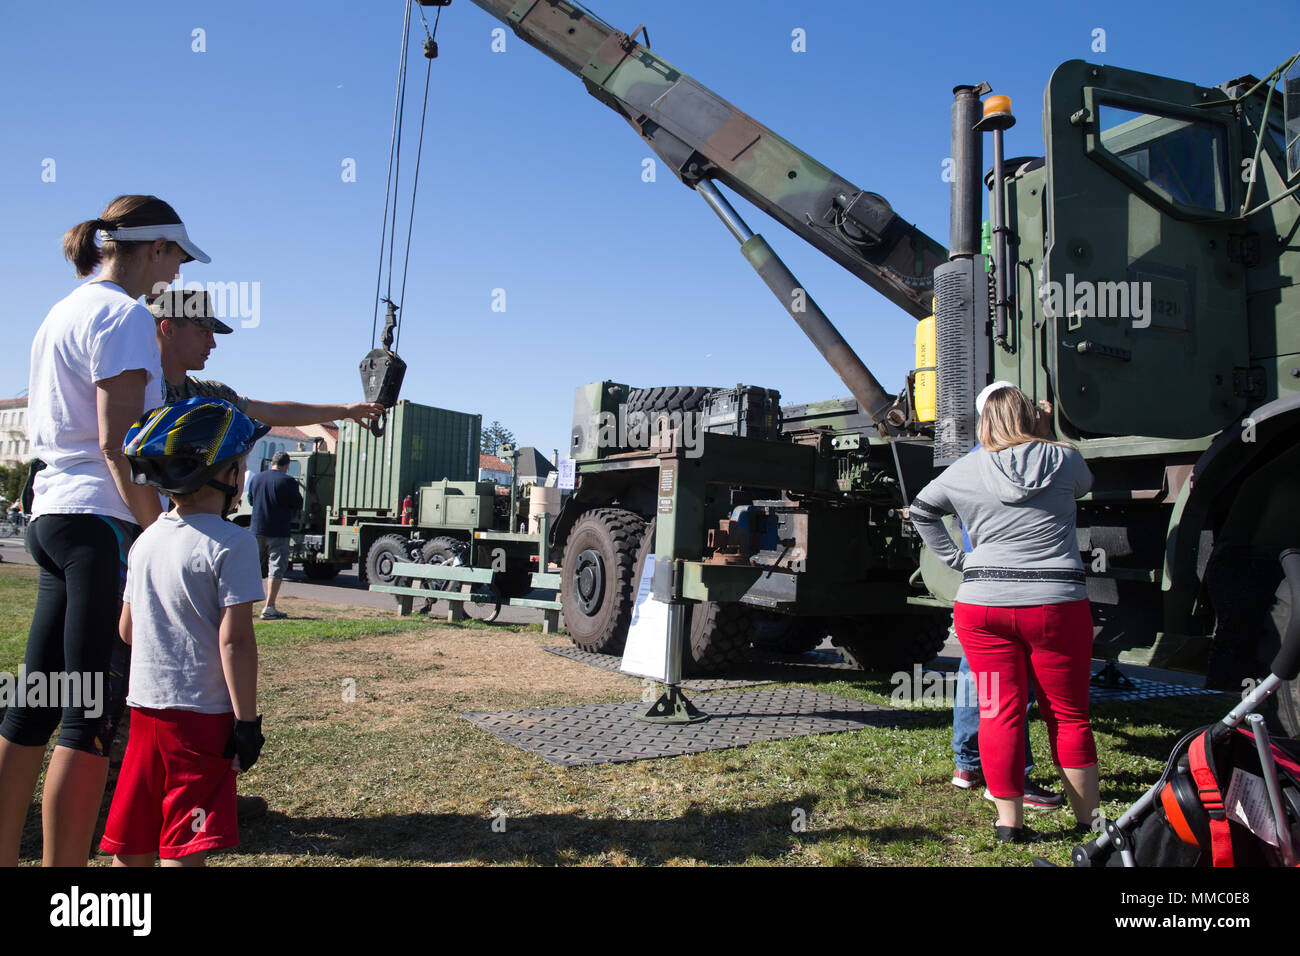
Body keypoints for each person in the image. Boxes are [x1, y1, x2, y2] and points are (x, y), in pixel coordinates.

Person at [0, 195, 205, 866]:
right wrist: (153, 537)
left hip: (54, 513)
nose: (175, 278)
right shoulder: (123, 316)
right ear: (154, 248)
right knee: (86, 720)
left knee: (35, 703)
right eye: (176, 258)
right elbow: (120, 445)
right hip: (98, 520)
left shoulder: (63, 310)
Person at [910, 382, 1100, 844]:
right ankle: (1089, 823)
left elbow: (921, 510)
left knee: (998, 712)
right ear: (1030, 415)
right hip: (1055, 604)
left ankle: (1009, 826)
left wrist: (957, 559)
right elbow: (1085, 486)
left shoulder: (964, 468)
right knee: (1069, 716)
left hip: (983, 606)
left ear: (982, 422)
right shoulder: (1063, 458)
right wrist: (1046, 427)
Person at [100, 398, 268, 867]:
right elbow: (234, 641)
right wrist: (247, 721)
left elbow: (127, 630)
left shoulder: (146, 538)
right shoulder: (233, 543)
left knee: (134, 838)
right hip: (202, 716)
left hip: (145, 712)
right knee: (184, 842)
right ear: (228, 475)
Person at [150, 289, 382, 429]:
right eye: (203, 332)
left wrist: (345, 411)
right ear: (168, 329)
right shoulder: (136, 390)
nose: (212, 343)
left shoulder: (207, 394)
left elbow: (273, 413)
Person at [247, 451, 303, 620]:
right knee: (276, 569)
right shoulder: (288, 481)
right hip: (279, 530)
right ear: (286, 465)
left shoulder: (256, 478)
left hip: (257, 529)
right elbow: (298, 504)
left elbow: (251, 500)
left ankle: (246, 606)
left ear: (272, 462)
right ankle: (269, 606)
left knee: (252, 569)